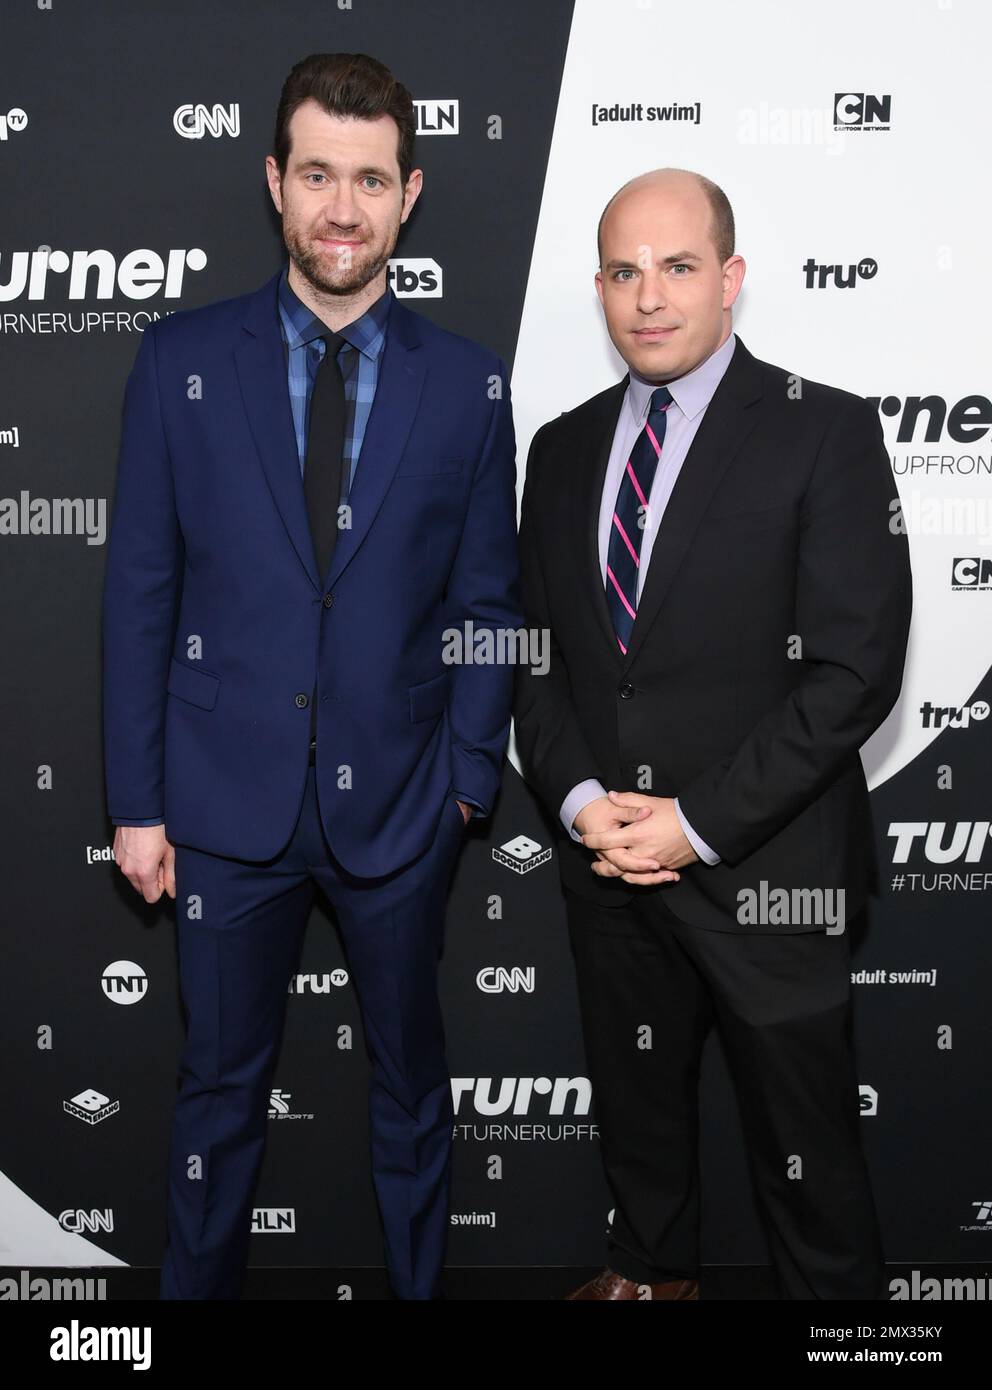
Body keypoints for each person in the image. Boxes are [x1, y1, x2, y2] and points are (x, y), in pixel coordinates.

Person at [102, 51, 520, 1300]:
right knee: (217, 1094)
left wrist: (464, 782)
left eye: (372, 181)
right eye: (320, 175)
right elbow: (138, 593)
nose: (344, 209)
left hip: (402, 808)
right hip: (220, 810)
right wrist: (136, 801)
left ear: (410, 194)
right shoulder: (182, 359)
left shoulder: (465, 381)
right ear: (276, 182)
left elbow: (487, 607)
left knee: (411, 1089)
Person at [513, 167, 911, 1300]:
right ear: (596, 288)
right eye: (624, 272)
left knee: (810, 1177)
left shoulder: (821, 430)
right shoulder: (560, 447)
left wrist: (692, 824)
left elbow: (851, 671)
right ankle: (646, 1276)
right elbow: (532, 656)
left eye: (677, 267)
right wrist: (587, 803)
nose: (648, 296)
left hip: (768, 877)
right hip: (607, 867)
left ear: (728, 280)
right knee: (639, 1142)